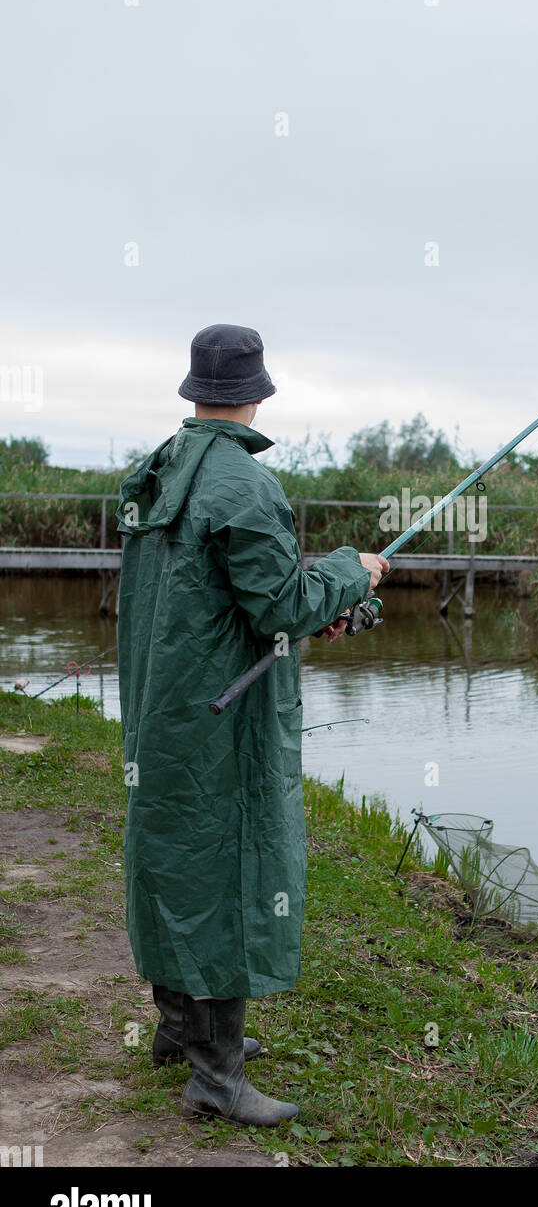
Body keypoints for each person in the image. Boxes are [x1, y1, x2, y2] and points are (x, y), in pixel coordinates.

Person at [116, 324, 388, 1125]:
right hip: (222, 720)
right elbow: (281, 603)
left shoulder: (158, 470)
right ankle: (217, 1076)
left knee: (172, 855)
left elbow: (227, 593)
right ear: (260, 392)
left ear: (194, 391)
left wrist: (318, 602)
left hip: (164, 709)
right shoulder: (246, 485)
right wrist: (351, 572)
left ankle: (177, 1029)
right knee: (230, 868)